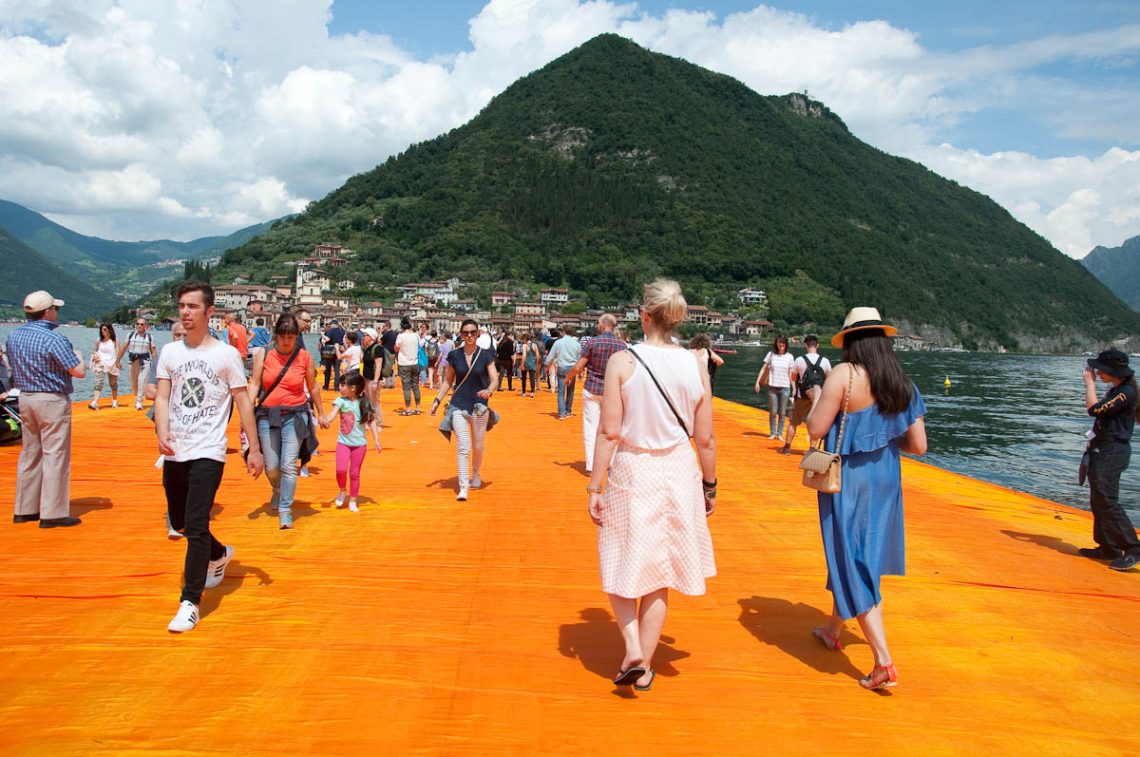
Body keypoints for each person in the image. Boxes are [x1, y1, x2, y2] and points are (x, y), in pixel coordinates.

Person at [586, 279, 717, 691]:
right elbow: (705, 438)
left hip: (634, 467)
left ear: (644, 315)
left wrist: (594, 487)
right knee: (659, 570)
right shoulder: (695, 364)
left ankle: (633, 648)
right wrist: (710, 485)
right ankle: (643, 666)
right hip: (679, 470)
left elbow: (609, 432)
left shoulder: (623, 362)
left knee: (618, 558)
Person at [806, 307, 927, 690]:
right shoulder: (900, 381)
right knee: (860, 553)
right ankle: (832, 630)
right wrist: (882, 438)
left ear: (851, 341)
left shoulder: (844, 374)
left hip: (849, 477)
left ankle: (883, 662)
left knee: (851, 557)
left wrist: (816, 396)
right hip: (886, 475)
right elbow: (919, 445)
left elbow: (815, 429)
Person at [155, 281, 264, 633]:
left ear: (209, 311)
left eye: (192, 306)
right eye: (182, 306)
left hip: (208, 450)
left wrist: (253, 448)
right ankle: (218, 554)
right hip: (176, 450)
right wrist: (161, 431)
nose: (185, 312)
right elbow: (162, 397)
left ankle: (190, 602)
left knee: (197, 524)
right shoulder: (170, 352)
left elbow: (243, 401)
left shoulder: (226, 355)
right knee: (180, 523)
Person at [7, 290, 86, 528]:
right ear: (48, 312)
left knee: (30, 453)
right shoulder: (54, 339)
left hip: (25, 398)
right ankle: (53, 512)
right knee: (55, 454)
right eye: (55, 309)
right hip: (51, 399)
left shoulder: (14, 336)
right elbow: (78, 371)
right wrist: (79, 357)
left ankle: (25, 509)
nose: (56, 313)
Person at [248, 312, 324, 530]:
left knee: (288, 465)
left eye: (291, 337)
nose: (287, 342)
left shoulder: (304, 357)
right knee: (272, 466)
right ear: (276, 335)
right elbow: (255, 384)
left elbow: (313, 387)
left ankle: (285, 510)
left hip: (295, 415)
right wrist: (247, 412)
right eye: (283, 337)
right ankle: (277, 488)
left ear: (296, 336)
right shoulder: (263, 354)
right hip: (267, 415)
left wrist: (321, 413)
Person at [1078, 349, 1140, 571]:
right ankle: (1109, 546)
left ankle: (1133, 548)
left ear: (1113, 371)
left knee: (1107, 499)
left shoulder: (1125, 393)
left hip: (1113, 450)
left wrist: (1090, 385)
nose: (1097, 373)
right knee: (1098, 499)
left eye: (1101, 370)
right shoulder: (1117, 389)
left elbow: (1095, 410)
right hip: (1103, 448)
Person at [430, 319, 499, 501]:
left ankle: (476, 473)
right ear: (461, 334)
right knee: (463, 447)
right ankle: (463, 487)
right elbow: (448, 381)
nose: (469, 336)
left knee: (478, 446)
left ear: (478, 334)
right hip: (458, 405)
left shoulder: (485, 355)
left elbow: (494, 379)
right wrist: (437, 400)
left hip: (479, 405)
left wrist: (489, 390)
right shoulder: (454, 355)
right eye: (466, 332)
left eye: (473, 332)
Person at [568, 314, 627, 473]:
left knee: (590, 427)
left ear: (603, 324)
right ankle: (610, 462)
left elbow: (578, 366)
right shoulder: (622, 346)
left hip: (592, 388)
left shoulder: (592, 342)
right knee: (611, 429)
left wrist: (568, 377)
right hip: (612, 392)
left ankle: (591, 465)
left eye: (597, 322)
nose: (596, 325)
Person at [321, 372, 381, 512]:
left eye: (342, 385)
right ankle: (342, 490)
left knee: (354, 473)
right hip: (343, 443)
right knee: (340, 470)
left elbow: (371, 420)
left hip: (359, 445)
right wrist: (326, 420)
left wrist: (376, 439)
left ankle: (353, 500)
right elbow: (332, 415)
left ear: (353, 388)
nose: (340, 387)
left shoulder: (364, 402)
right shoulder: (340, 401)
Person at [781, 335, 832, 454]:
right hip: (818, 398)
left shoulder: (799, 360)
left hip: (802, 396)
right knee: (815, 422)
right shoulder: (825, 361)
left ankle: (787, 447)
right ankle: (812, 449)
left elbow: (793, 377)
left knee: (793, 422)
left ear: (805, 345)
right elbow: (830, 378)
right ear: (817, 345)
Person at [754, 335, 794, 440]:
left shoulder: (790, 357)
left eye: (783, 342)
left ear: (786, 344)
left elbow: (791, 374)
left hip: (785, 387)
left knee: (782, 413)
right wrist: (757, 382)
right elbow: (763, 369)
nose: (781, 344)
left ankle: (779, 434)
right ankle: (772, 433)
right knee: (773, 412)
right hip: (772, 387)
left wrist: (794, 388)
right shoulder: (771, 354)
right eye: (779, 342)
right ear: (776, 343)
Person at [119, 317, 156, 410]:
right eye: (138, 324)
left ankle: (138, 401)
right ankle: (139, 395)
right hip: (132, 361)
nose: (139, 326)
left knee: (142, 381)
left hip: (145, 361)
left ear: (146, 326)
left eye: (141, 324)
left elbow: (153, 351)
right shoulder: (130, 335)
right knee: (134, 383)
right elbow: (123, 348)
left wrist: (156, 364)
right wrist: (118, 360)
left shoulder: (149, 337)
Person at [545, 325, 582, 420]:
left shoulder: (558, 342)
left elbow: (551, 356)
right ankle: (568, 411)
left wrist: (547, 366)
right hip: (573, 368)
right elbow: (580, 358)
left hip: (562, 367)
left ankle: (561, 414)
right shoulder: (576, 344)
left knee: (561, 392)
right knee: (571, 391)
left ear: (563, 332)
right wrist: (580, 371)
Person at [89, 322, 121, 410]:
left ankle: (114, 400)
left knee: (113, 383)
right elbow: (94, 350)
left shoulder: (114, 341)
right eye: (101, 329)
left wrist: (117, 362)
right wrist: (95, 356)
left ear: (109, 330)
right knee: (98, 382)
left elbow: (118, 352)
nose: (103, 331)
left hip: (112, 364)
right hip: (101, 363)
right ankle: (95, 402)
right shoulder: (99, 340)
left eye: (105, 329)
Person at [395, 317, 422, 415]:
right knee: (415, 385)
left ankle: (408, 409)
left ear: (402, 327)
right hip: (415, 362)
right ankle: (418, 408)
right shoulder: (416, 335)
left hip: (404, 363)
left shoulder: (400, 336)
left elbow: (396, 348)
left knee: (406, 387)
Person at [320, 319, 346, 390]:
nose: (330, 325)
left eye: (331, 324)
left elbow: (327, 339)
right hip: (338, 351)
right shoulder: (342, 331)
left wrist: (322, 335)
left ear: (333, 324)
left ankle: (326, 386)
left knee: (328, 370)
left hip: (330, 352)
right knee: (337, 370)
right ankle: (336, 387)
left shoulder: (331, 331)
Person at [518, 332, 540, 398]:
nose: (522, 340)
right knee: (532, 378)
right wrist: (537, 364)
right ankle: (532, 392)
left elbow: (524, 355)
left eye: (522, 339)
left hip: (526, 363)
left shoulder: (525, 345)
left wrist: (522, 365)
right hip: (532, 363)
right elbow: (537, 356)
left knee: (524, 378)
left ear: (525, 338)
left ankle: (524, 392)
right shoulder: (535, 345)